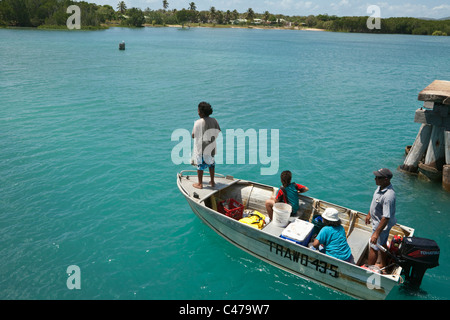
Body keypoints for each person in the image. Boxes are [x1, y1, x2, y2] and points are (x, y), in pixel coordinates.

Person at [365, 168, 397, 269]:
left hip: (381, 225)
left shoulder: (388, 196)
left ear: (386, 179)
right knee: (382, 244)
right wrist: (369, 214)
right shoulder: (380, 187)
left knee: (373, 247)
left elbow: (386, 217)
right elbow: (375, 202)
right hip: (377, 222)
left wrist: (376, 233)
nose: (375, 179)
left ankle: (368, 268)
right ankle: (383, 263)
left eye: (378, 177)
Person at [191, 102, 221, 189]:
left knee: (200, 165)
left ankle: (200, 184)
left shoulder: (198, 122)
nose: (198, 112)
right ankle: (212, 181)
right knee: (211, 164)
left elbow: (193, 135)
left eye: (198, 111)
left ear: (202, 112)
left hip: (201, 148)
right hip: (211, 147)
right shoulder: (214, 120)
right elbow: (218, 131)